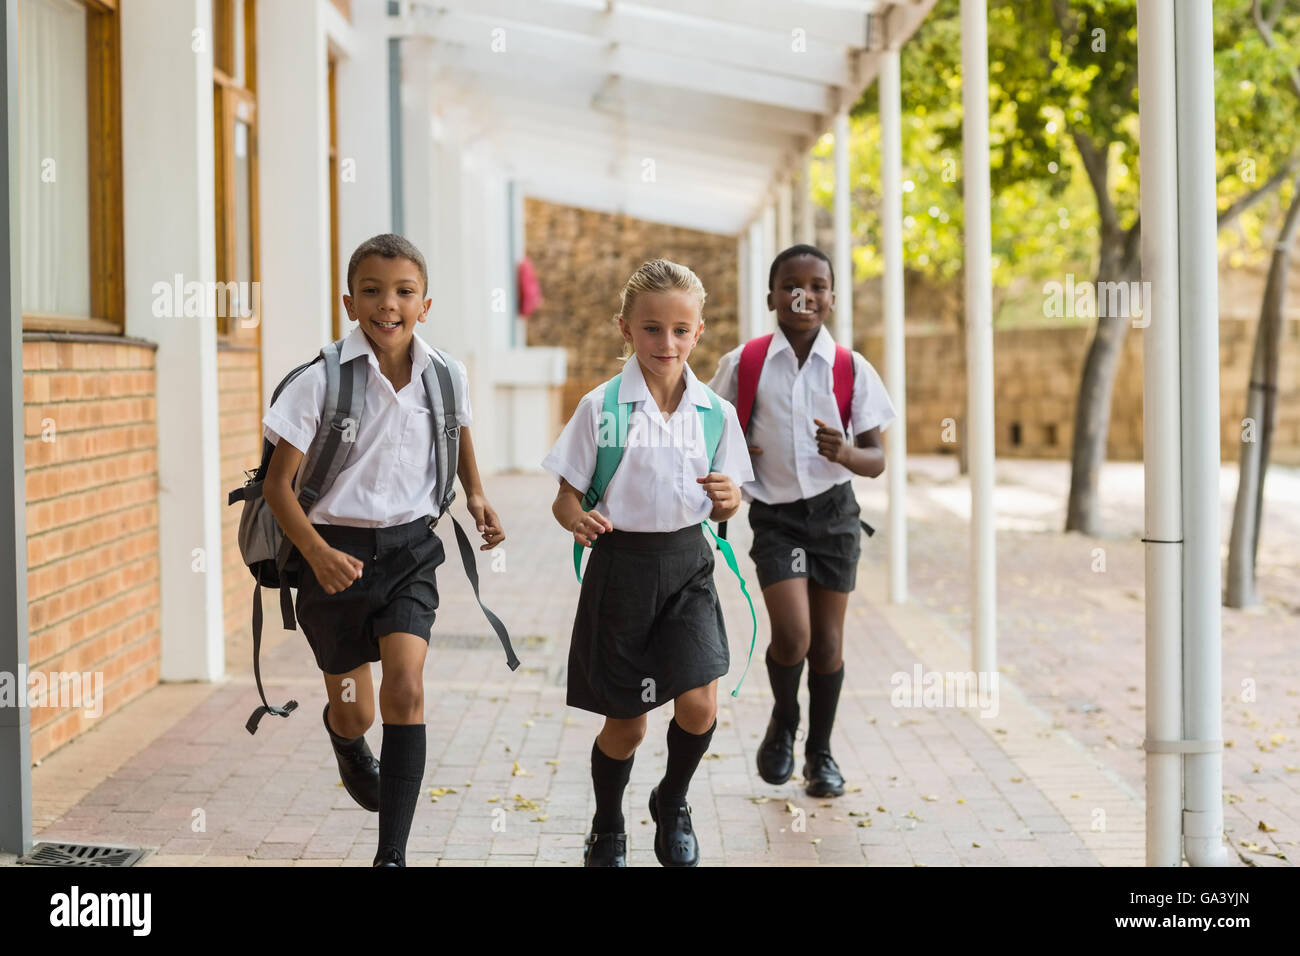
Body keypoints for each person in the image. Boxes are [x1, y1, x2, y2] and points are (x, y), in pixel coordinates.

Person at [260, 233, 506, 867]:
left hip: (410, 552)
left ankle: (390, 855)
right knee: (357, 710)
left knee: (406, 688)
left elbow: (459, 433)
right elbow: (276, 488)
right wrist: (315, 554)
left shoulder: (445, 374)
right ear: (349, 302)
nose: (387, 304)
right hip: (331, 556)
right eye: (371, 291)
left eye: (403, 292)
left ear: (425, 304)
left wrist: (476, 496)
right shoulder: (320, 383)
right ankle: (346, 743)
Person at [542, 259, 754, 867]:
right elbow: (565, 495)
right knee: (628, 726)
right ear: (626, 329)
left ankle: (672, 800)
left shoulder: (716, 413)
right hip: (622, 571)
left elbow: (732, 495)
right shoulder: (600, 408)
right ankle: (608, 824)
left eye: (681, 330)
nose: (668, 343)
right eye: (653, 329)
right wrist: (575, 519)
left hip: (688, 565)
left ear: (699, 333)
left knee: (699, 704)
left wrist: (729, 499)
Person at [709, 243, 896, 798]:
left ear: (832, 298)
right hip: (778, 518)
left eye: (817, 285)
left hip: (835, 516)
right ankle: (784, 721)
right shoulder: (743, 363)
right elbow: (710, 431)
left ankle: (821, 752)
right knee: (793, 635)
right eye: (792, 283)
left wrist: (843, 453)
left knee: (829, 646)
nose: (804, 294)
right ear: (771, 296)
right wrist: (736, 452)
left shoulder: (850, 368)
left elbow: (877, 459)